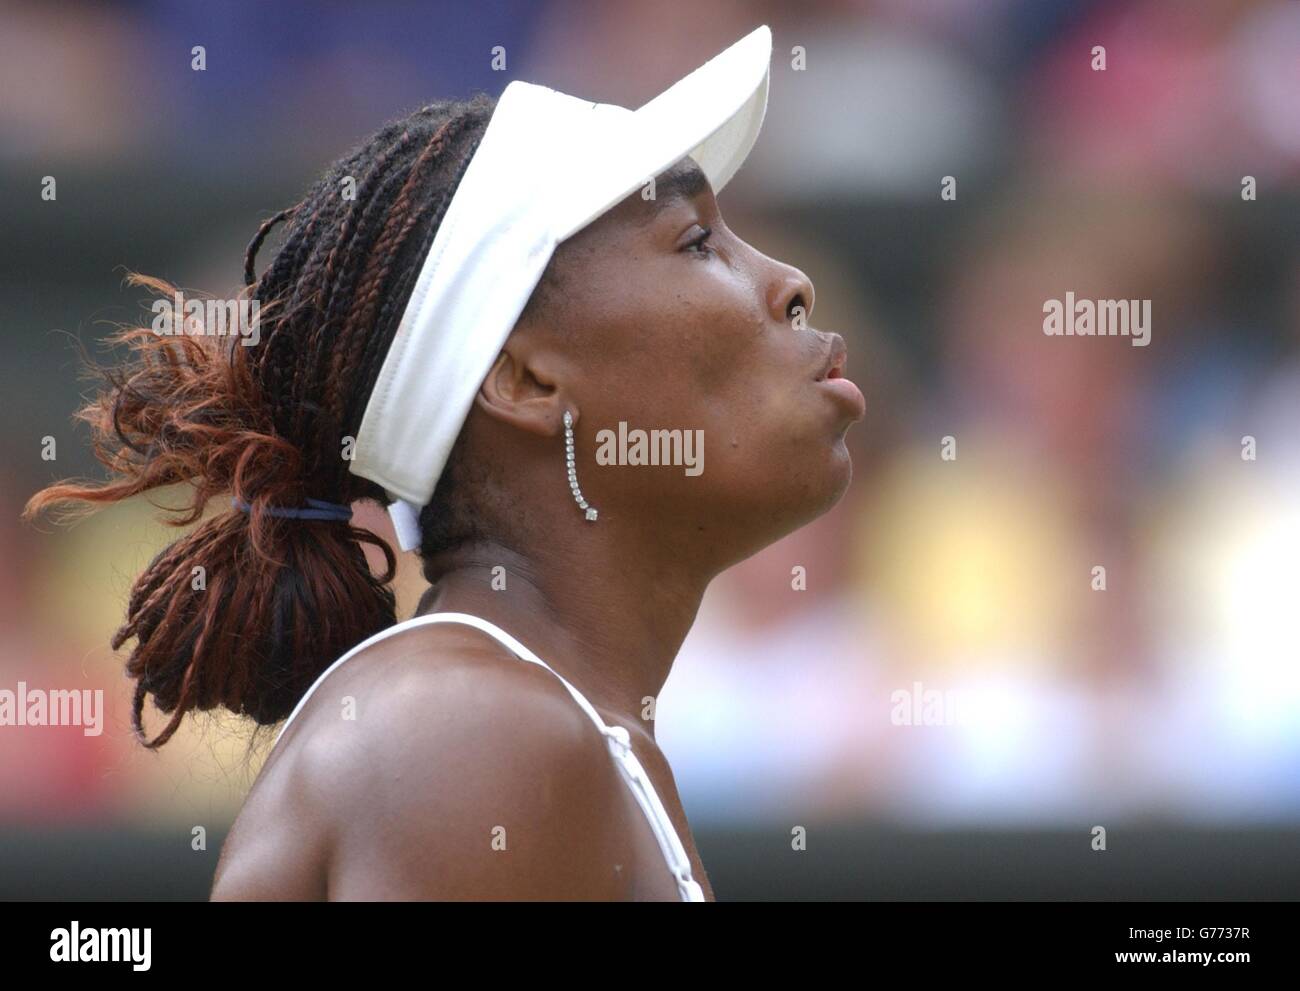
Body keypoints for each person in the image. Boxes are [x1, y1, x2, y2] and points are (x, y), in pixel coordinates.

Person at [24, 26, 865, 900]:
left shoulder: (533, 727)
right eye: (697, 242)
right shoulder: (479, 731)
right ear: (524, 377)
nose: (791, 283)